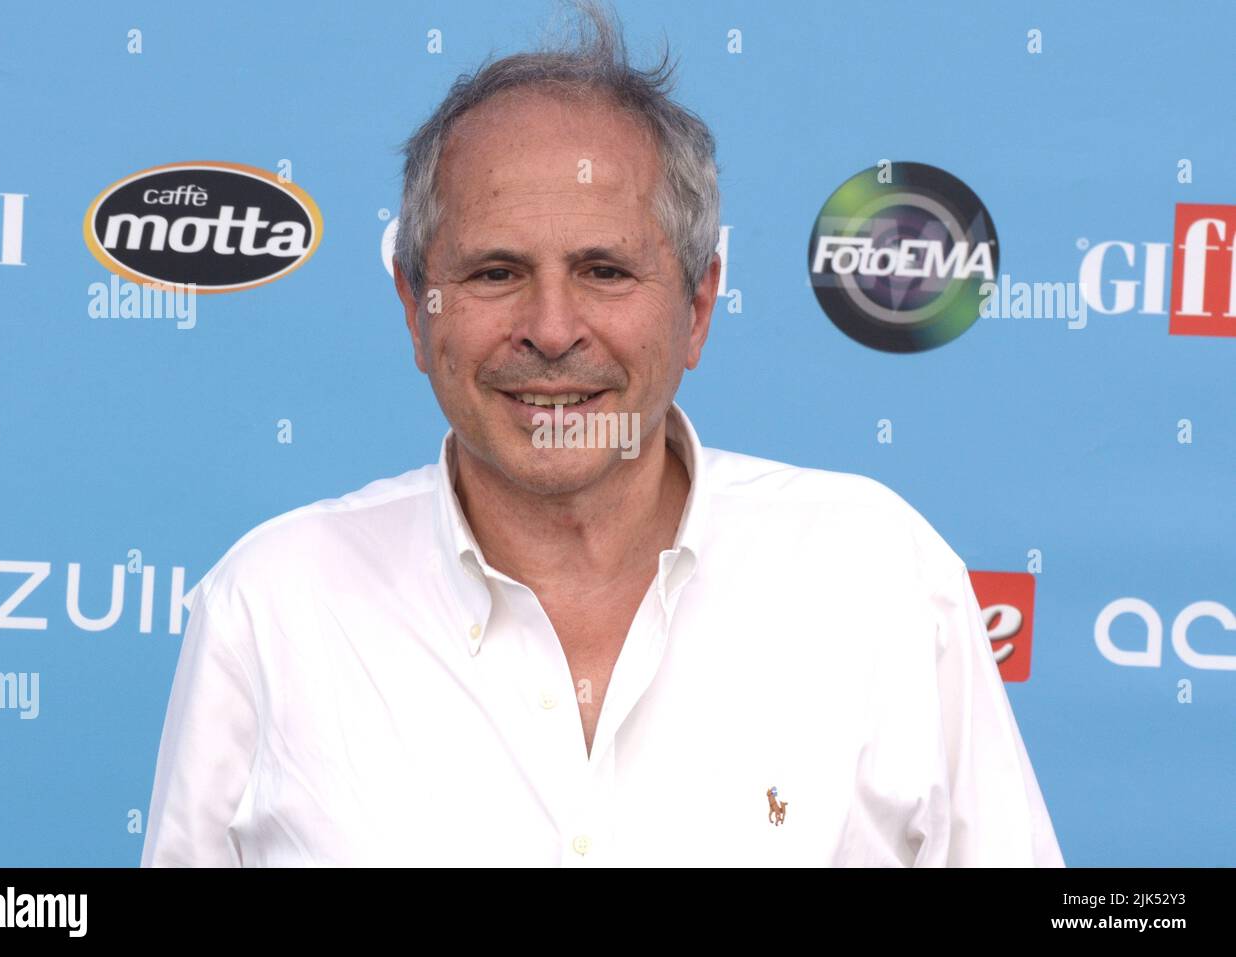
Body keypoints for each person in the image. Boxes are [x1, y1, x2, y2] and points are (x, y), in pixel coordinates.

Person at [140, 0, 1064, 867]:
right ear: (415, 312)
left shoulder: (880, 577)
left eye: (606, 271)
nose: (550, 328)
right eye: (496, 272)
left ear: (699, 306)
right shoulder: (269, 606)